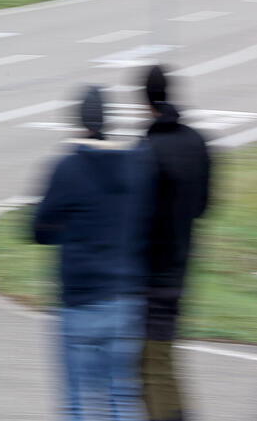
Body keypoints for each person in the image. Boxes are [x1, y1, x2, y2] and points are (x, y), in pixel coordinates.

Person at [32, 86, 150, 421]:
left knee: (77, 404)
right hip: (124, 297)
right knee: (121, 398)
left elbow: (38, 231)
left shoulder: (68, 168)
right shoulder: (134, 166)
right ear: (107, 121)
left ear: (78, 122)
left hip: (80, 300)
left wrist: (68, 228)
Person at [139, 65, 211, 421]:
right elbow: (203, 206)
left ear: (144, 100)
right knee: (160, 359)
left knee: (151, 367)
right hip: (182, 267)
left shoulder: (147, 148)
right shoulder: (197, 142)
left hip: (151, 275)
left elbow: (137, 216)